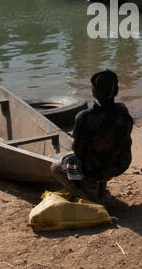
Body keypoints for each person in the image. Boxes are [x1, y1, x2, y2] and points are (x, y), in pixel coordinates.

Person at [55, 70, 132, 205]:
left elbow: (78, 151)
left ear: (94, 92)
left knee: (55, 167)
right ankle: (101, 189)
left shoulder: (85, 117)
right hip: (121, 163)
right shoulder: (122, 111)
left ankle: (89, 197)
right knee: (106, 150)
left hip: (94, 169)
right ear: (116, 91)